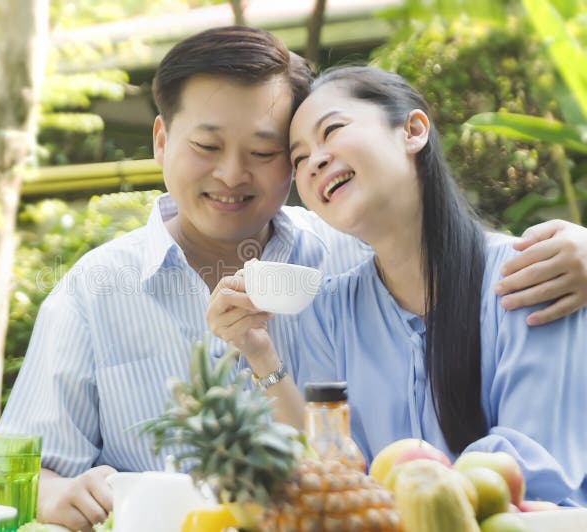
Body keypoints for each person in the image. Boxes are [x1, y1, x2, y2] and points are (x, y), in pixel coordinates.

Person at [0, 28, 587, 530]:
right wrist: (54, 493)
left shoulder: (344, 253)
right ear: (160, 140)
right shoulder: (95, 289)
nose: (232, 174)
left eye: (266, 151)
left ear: (412, 129)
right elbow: (20, 472)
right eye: (207, 144)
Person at [207, 65, 586, 506]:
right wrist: (258, 351)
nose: (316, 161)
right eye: (299, 158)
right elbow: (321, 474)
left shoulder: (533, 272)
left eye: (332, 130)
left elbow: (535, 471)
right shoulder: (330, 311)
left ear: (412, 130)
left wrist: (377, 491)